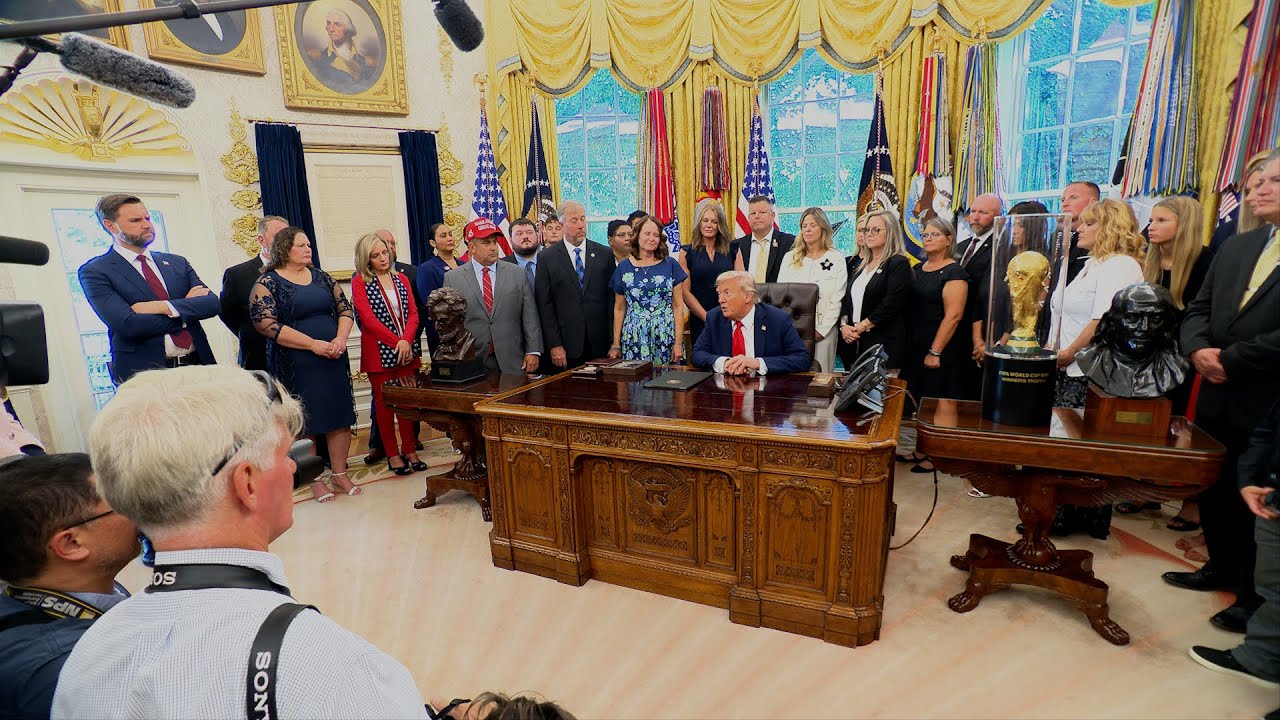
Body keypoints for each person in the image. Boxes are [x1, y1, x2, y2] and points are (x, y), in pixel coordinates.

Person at [51, 366, 431, 718]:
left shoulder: (89, 653)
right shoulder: (322, 661)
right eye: (284, 454)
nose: (293, 467)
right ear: (247, 482)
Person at [1169, 150, 1280, 634]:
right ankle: (1220, 566)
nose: (1258, 190)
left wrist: (1229, 359)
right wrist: (1197, 351)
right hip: (1215, 390)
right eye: (1254, 182)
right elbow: (1199, 308)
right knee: (1215, 483)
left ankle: (1254, 597)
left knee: (1257, 493)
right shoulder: (1237, 246)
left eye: (1273, 180)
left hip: (1268, 396)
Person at [0, 453, 138, 720]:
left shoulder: (94, 590)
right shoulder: (69, 672)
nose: (137, 507)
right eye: (119, 501)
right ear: (71, 544)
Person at [1045, 198, 1145, 538]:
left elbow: (1102, 318)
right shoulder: (1090, 263)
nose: (1078, 228)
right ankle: (1062, 511)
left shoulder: (1121, 264)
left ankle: (1081, 516)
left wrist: (1070, 352)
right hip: (1066, 365)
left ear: (1109, 227)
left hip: (1090, 369)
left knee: (1083, 445)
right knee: (1064, 443)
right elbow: (1063, 314)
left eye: (1087, 223)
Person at [1116, 196, 1212, 524]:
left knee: (1184, 428)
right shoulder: (1152, 260)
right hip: (1154, 357)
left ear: (1183, 225)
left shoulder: (1205, 261)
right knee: (1151, 426)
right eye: (1152, 220)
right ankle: (1148, 492)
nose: (1150, 227)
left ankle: (1192, 502)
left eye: (1161, 221)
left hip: (1186, 356)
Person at [250, 226, 359, 502]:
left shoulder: (322, 277)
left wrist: (340, 339)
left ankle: (339, 474)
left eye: (309, 244)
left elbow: (345, 309)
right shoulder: (268, 283)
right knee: (305, 420)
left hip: (333, 356)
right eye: (301, 245)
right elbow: (266, 324)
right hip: (297, 360)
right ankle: (315, 479)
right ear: (285, 249)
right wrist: (312, 344)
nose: (308, 249)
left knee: (338, 414)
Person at [1189, 398, 1280, 695]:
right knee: (1272, 583)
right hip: (1271, 490)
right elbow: (1268, 429)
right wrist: (1250, 478)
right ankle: (1261, 657)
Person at [79, 194, 220, 385]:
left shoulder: (177, 263)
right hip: (144, 374)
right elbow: (128, 325)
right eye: (135, 220)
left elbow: (212, 305)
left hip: (199, 367)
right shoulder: (95, 271)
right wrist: (187, 313)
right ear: (110, 226)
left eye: (148, 218)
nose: (146, 225)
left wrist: (160, 307)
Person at [351, 233, 425, 476]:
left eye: (385, 252)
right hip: (379, 353)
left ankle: (409, 449)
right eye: (376, 255)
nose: (383, 258)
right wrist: (398, 342)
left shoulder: (402, 278)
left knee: (405, 402)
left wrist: (406, 340)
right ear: (366, 259)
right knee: (384, 406)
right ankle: (392, 454)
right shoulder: (359, 282)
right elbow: (368, 320)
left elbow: (414, 313)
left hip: (406, 350)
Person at [444, 218, 542, 374]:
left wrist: (533, 351)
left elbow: (529, 315)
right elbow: (451, 323)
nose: (493, 248)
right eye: (486, 243)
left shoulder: (516, 273)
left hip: (512, 358)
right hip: (472, 359)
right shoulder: (453, 278)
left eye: (494, 242)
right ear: (472, 247)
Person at [903, 217, 969, 439]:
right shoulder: (917, 269)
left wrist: (935, 351)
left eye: (935, 234)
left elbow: (954, 315)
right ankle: (922, 450)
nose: (928, 239)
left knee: (941, 399)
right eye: (925, 235)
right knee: (919, 399)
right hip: (915, 344)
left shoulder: (954, 272)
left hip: (942, 346)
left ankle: (939, 456)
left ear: (949, 239)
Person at [535, 201, 615, 369]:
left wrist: (615, 342)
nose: (580, 225)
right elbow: (545, 305)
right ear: (561, 224)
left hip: (601, 344)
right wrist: (554, 345)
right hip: (566, 346)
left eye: (582, 219)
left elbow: (612, 301)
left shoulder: (604, 254)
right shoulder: (547, 258)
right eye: (574, 220)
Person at [838, 209, 913, 375]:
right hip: (857, 344)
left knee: (882, 399)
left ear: (891, 232)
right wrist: (844, 326)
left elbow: (891, 304)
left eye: (876, 230)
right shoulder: (861, 266)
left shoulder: (898, 263)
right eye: (866, 230)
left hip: (884, 346)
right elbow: (846, 301)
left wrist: (863, 325)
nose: (868, 234)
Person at [691, 271, 810, 375]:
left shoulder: (777, 319)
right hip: (725, 390)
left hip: (767, 392)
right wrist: (724, 362)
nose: (720, 300)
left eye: (727, 293)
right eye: (719, 293)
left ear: (747, 296)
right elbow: (697, 354)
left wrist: (758, 363)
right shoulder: (714, 318)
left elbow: (802, 359)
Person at [775, 207, 847, 373]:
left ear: (823, 228)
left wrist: (821, 331)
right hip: (793, 330)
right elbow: (781, 294)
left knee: (820, 380)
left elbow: (838, 298)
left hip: (824, 331)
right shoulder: (790, 258)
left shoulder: (836, 258)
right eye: (804, 225)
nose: (807, 229)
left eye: (813, 225)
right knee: (793, 379)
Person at [608, 214, 687, 363]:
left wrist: (677, 342)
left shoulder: (671, 265)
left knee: (668, 381)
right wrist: (616, 345)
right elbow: (619, 308)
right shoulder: (623, 268)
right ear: (637, 236)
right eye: (647, 234)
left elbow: (677, 306)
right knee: (636, 383)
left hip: (666, 335)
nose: (652, 239)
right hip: (634, 336)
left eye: (656, 235)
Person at [220, 215, 288, 372]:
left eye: (288, 235)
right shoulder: (237, 275)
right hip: (258, 359)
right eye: (279, 236)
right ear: (261, 240)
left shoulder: (302, 272)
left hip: (298, 357)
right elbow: (227, 314)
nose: (285, 241)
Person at [957, 193, 1002, 399]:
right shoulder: (960, 247)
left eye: (983, 212)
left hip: (982, 326)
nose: (975, 217)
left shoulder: (1001, 245)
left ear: (998, 216)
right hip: (956, 327)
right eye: (973, 211)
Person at [679, 199, 739, 347]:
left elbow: (740, 284)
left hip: (730, 317)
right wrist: (707, 317)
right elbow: (685, 292)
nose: (709, 225)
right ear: (699, 223)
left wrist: (727, 314)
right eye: (705, 220)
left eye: (714, 221)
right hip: (700, 318)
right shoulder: (686, 252)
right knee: (702, 363)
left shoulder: (733, 249)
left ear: (720, 225)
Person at [416, 222, 464, 351]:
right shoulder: (427, 268)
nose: (449, 238)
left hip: (468, 328)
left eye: (450, 234)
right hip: (444, 332)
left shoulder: (464, 264)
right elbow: (430, 302)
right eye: (443, 236)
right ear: (433, 243)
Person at [733, 195, 796, 284]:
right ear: (748, 217)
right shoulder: (737, 246)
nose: (757, 216)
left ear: (772, 215)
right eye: (753, 213)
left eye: (762, 212)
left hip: (777, 296)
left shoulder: (789, 243)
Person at [1061, 180, 1102, 284]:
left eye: (1074, 197)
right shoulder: (1058, 236)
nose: (1065, 204)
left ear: (1093, 203)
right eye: (1062, 200)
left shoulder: (1100, 238)